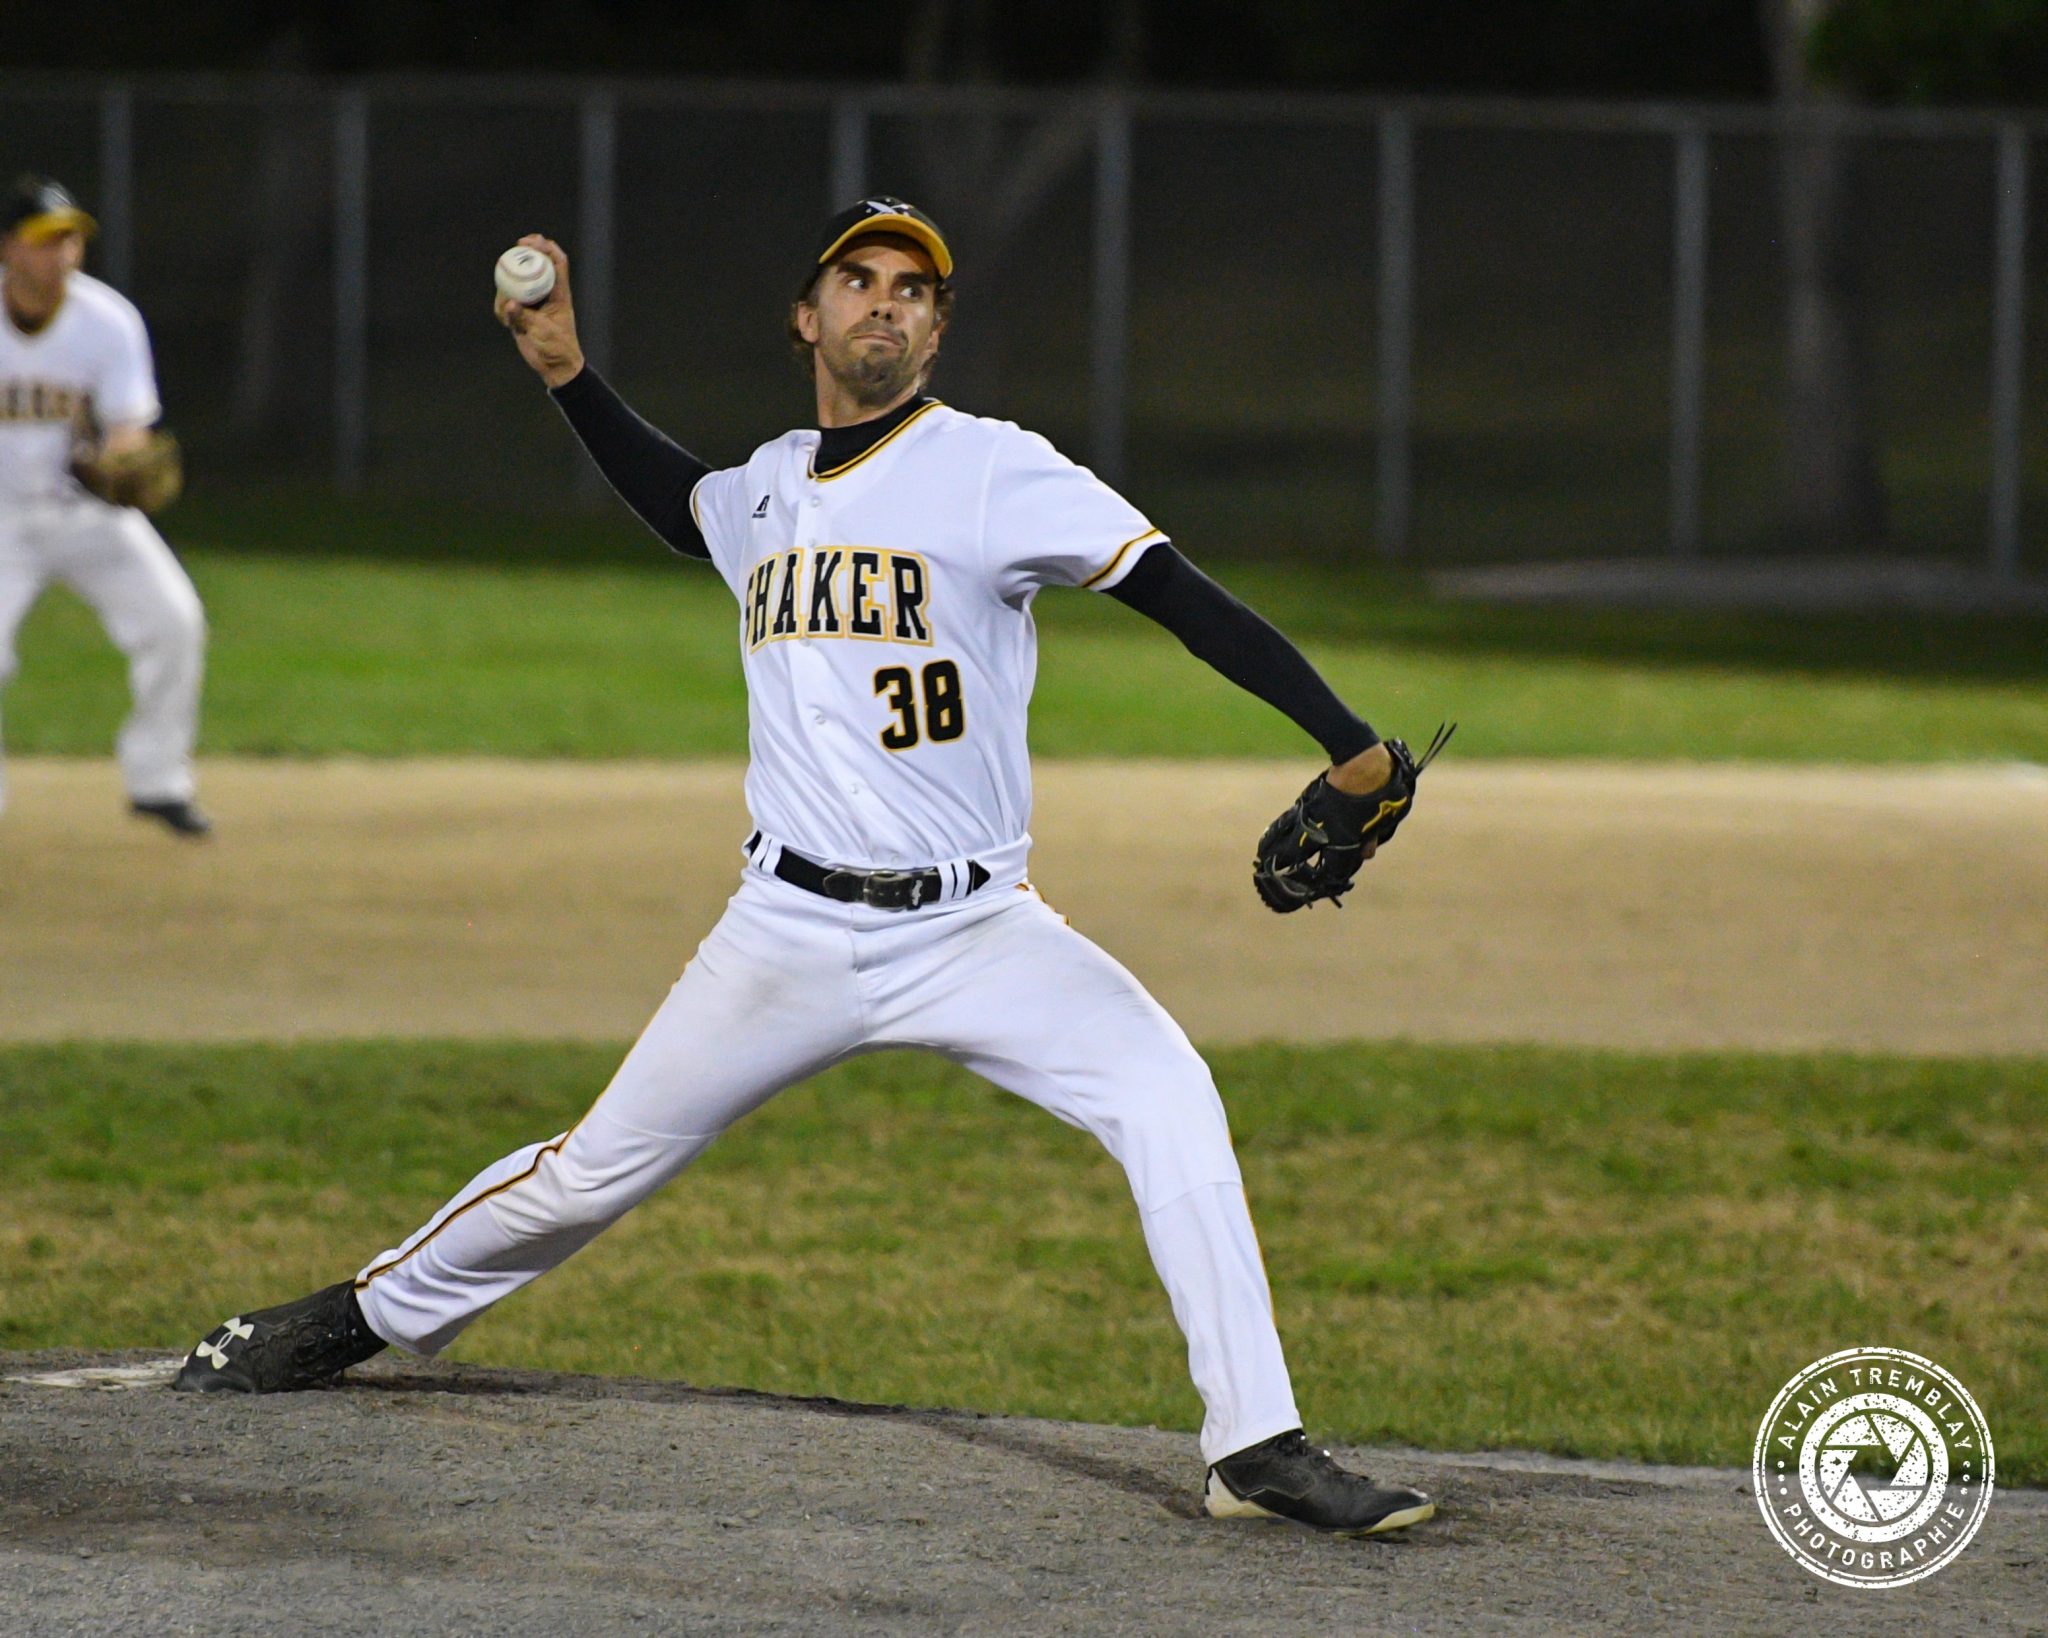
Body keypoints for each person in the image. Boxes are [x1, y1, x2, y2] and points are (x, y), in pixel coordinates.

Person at [174, 197, 1435, 1536]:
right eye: (858, 279)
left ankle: (1256, 1443)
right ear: (808, 316)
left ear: (938, 330)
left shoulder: (997, 468)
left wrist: (1349, 744)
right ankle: (356, 1312)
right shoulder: (771, 483)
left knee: (1169, 1097)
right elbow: (682, 506)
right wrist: (565, 374)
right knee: (590, 1171)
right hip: (783, 931)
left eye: (913, 289)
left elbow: (1175, 593)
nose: (885, 301)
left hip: (980, 927)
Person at [0, 175, 208, 836]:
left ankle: (157, 780)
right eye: (43, 240)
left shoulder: (108, 319)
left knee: (176, 622)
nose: (61, 252)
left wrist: (118, 463)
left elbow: (128, 428)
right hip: (2, 523)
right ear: (7, 248)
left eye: (70, 239)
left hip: (89, 517)